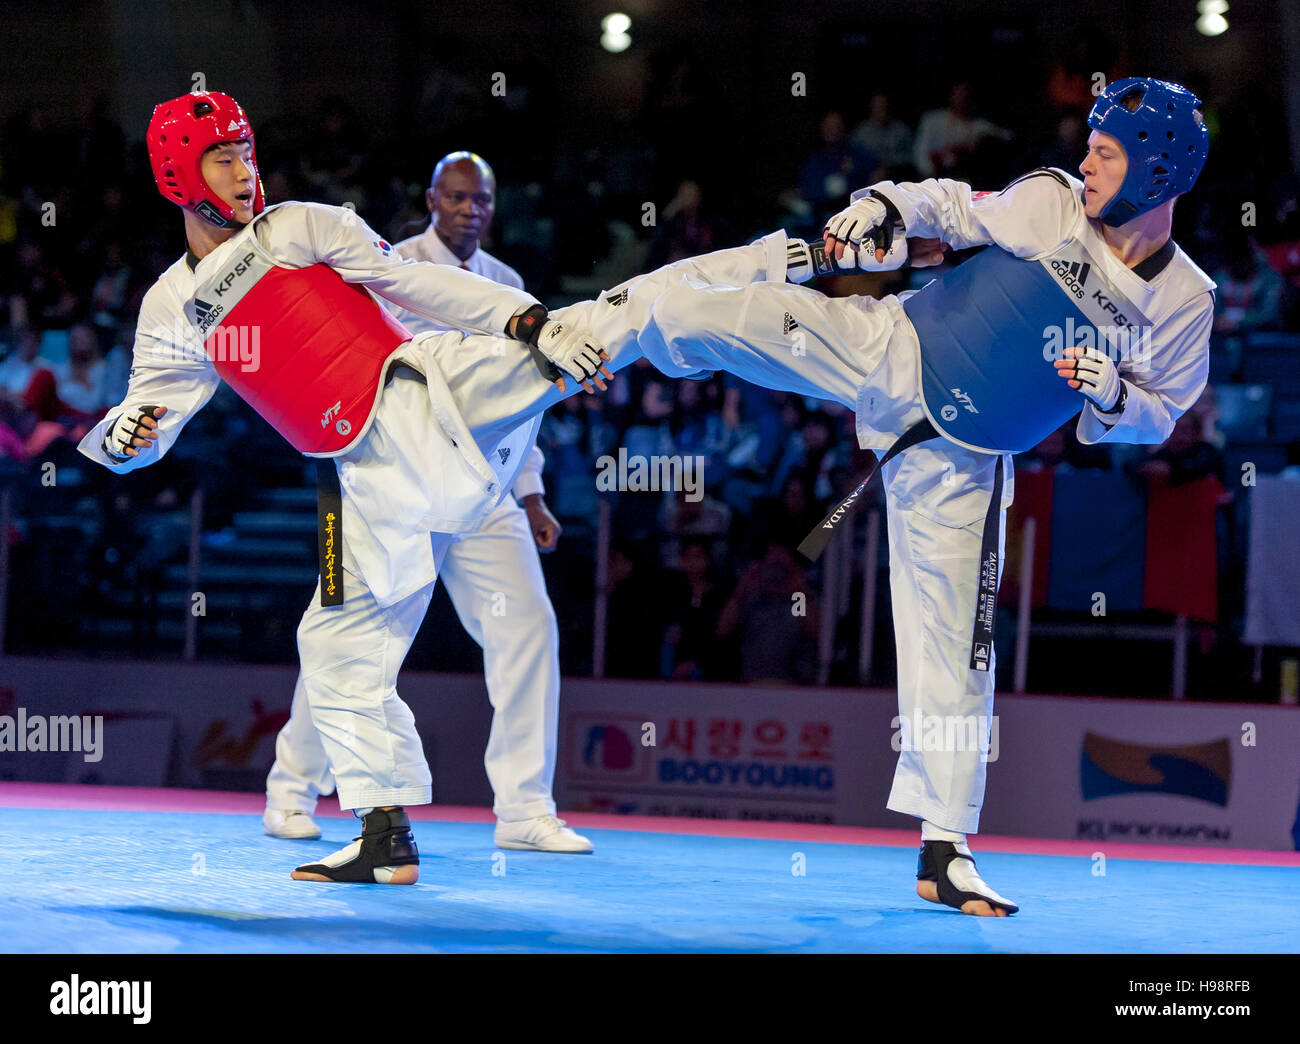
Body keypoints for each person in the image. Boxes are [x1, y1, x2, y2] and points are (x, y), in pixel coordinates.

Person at [78, 90, 806, 884]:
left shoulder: (297, 226)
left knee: (611, 319)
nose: (246, 172)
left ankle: (780, 262)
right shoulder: (171, 304)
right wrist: (120, 440)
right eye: (224, 158)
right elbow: (150, 410)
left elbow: (412, 286)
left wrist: (529, 323)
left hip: (427, 392)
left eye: (248, 152)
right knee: (335, 645)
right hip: (368, 479)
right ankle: (383, 833)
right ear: (178, 175)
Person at [571, 77, 1214, 915]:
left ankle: (944, 851)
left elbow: (1160, 415)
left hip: (964, 460)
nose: (1086, 162)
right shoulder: (1051, 203)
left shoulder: (1183, 299)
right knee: (734, 317)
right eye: (1090, 145)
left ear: (1157, 172)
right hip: (892, 350)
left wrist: (1114, 400)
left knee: (957, 652)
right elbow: (950, 208)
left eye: (1106, 152)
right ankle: (583, 337)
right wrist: (886, 207)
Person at [263, 151, 591, 854]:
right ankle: (291, 790)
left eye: (484, 200)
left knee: (529, 629)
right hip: (400, 482)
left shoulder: (507, 284)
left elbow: (524, 403)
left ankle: (526, 811)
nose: (473, 209)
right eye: (460, 197)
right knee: (351, 636)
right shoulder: (388, 264)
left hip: (486, 489)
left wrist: (531, 494)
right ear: (433, 200)